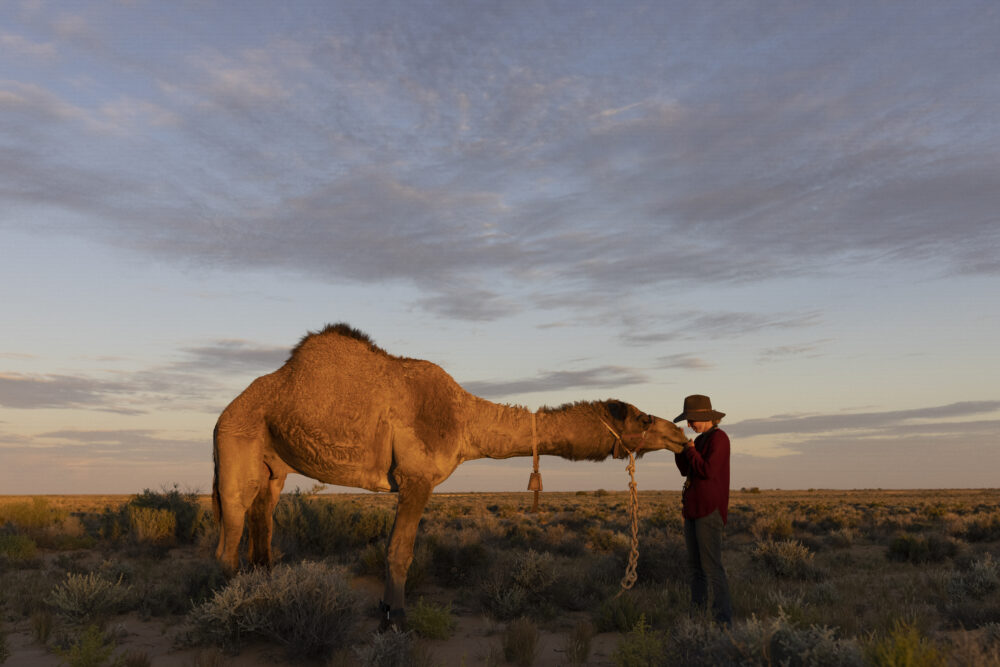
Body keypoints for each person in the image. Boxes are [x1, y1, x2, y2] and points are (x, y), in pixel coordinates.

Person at [674, 394, 732, 627]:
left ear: (705, 417)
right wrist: (679, 447)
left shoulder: (720, 439)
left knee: (712, 568)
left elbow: (707, 470)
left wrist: (689, 449)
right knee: (696, 570)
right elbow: (685, 469)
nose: (689, 425)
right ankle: (697, 619)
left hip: (709, 511)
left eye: (691, 420)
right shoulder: (698, 441)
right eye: (688, 421)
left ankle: (723, 623)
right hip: (693, 510)